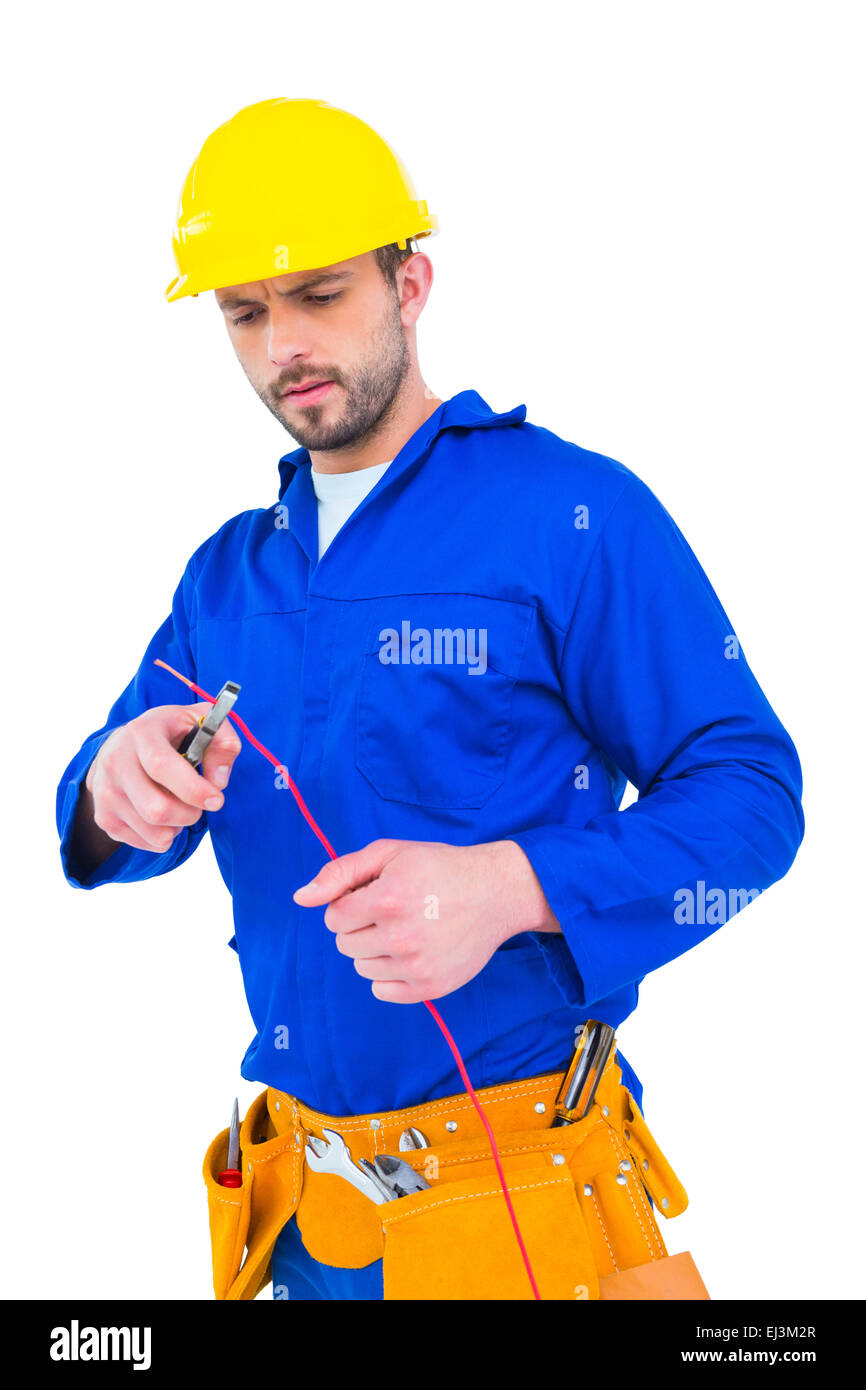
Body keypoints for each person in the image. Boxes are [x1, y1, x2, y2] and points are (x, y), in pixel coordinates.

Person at [56, 97, 804, 1301]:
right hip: (303, 1218)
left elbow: (750, 795)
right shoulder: (225, 576)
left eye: (318, 294)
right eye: (243, 311)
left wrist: (510, 887)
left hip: (523, 1203)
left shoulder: (570, 515)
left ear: (410, 283)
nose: (281, 343)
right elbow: (100, 827)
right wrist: (110, 781)